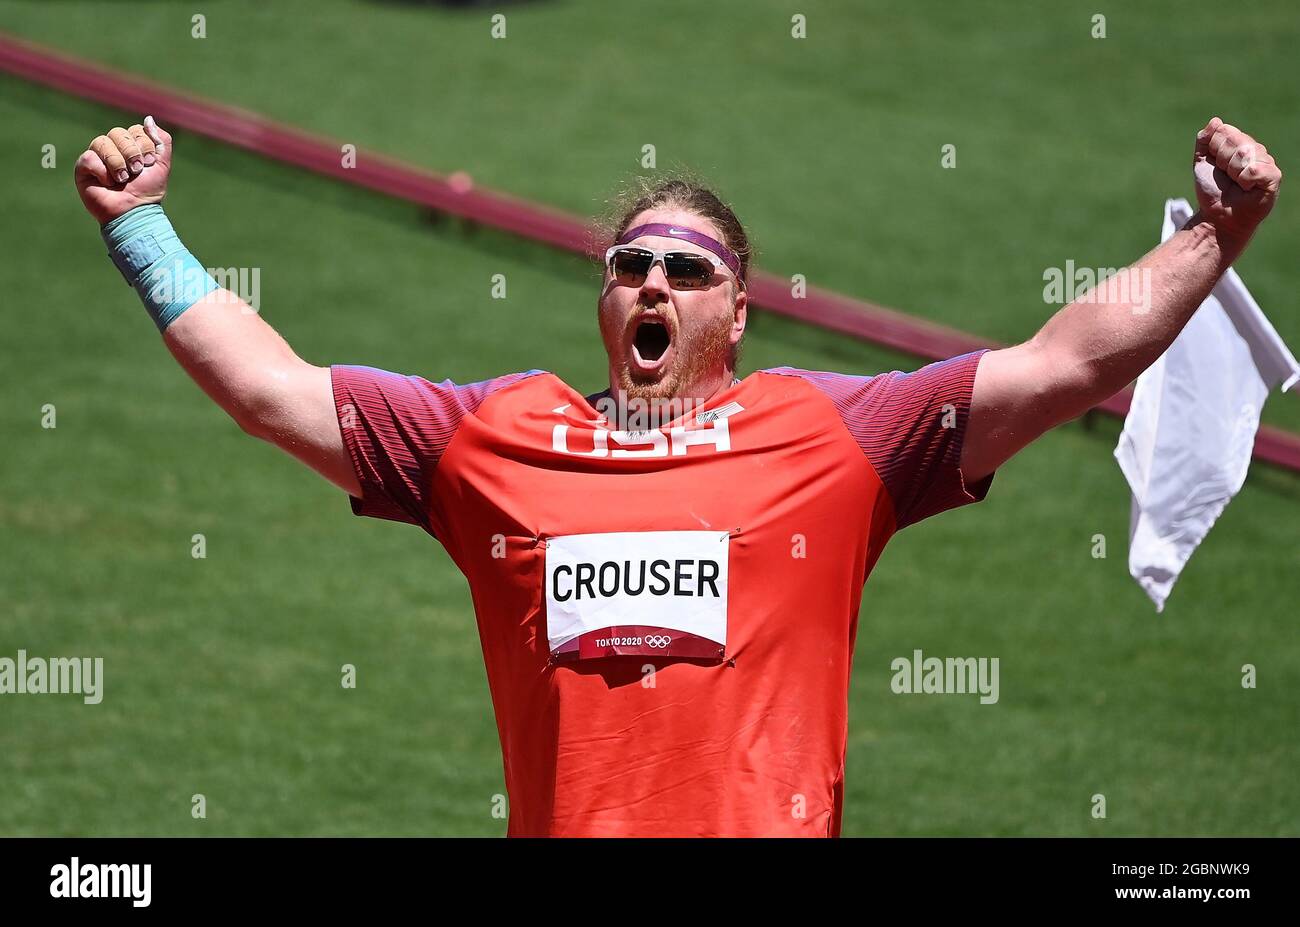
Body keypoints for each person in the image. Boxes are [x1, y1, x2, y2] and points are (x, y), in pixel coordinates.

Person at [75, 115, 1281, 836]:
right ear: (606, 301)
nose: (653, 281)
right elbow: (273, 392)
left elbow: (1065, 361)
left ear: (736, 313)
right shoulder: (495, 436)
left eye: (686, 270)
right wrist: (140, 227)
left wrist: (1212, 234)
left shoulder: (833, 436)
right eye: (630, 264)